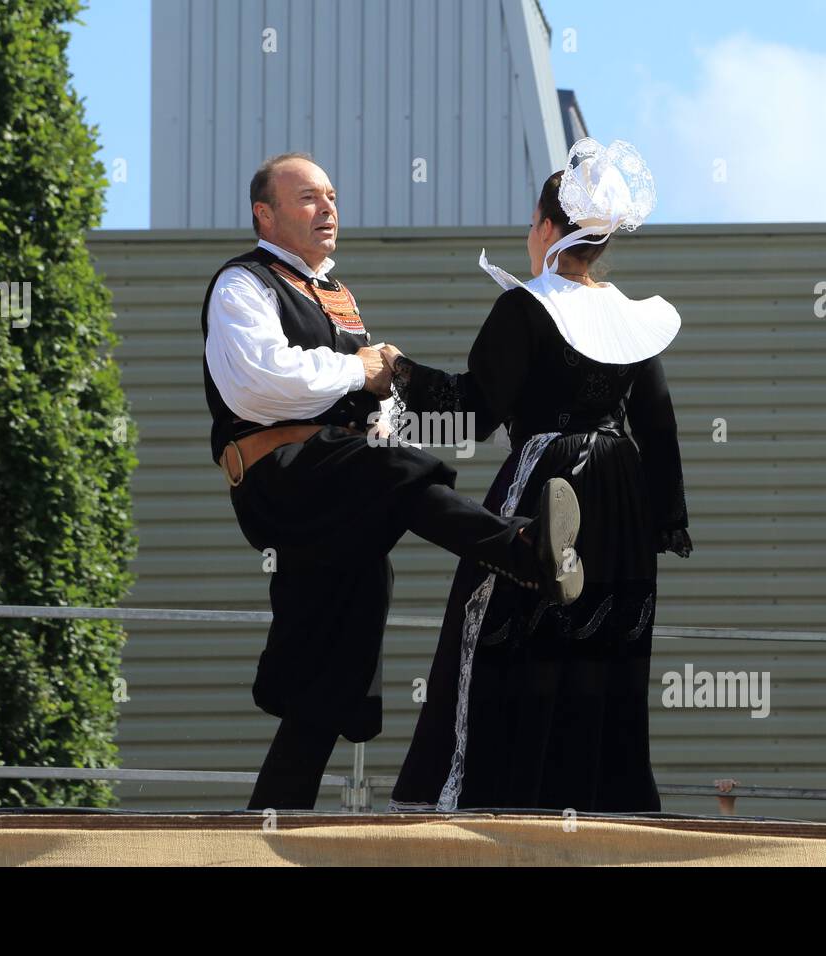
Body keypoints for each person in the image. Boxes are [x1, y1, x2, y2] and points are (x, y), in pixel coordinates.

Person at [201, 152, 586, 811]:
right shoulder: (243, 285)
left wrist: (396, 412)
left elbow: (376, 401)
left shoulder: (337, 297)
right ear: (264, 214)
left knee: (326, 672)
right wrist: (360, 372)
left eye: (332, 196)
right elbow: (260, 381)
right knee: (389, 475)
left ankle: (265, 829)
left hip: (332, 491)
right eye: (308, 199)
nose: (328, 209)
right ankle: (521, 552)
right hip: (282, 478)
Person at [383, 138, 693, 813]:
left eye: (532, 223)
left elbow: (471, 410)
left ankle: (473, 797)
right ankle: (597, 813)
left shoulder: (526, 307)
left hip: (548, 480)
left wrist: (398, 373)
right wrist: (665, 520)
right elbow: (659, 428)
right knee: (600, 652)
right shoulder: (632, 319)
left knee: (492, 623)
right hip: (623, 502)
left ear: (550, 229)